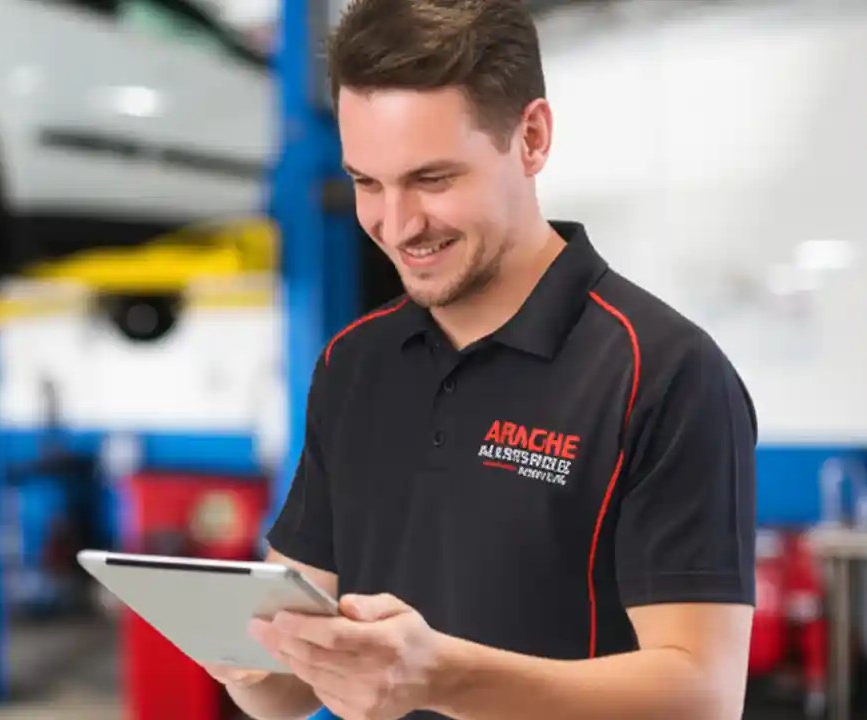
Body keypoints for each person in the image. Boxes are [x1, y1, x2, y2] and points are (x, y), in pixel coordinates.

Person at [201, 0, 759, 719]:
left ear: (530, 137)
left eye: (432, 180)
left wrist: (443, 679)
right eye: (368, 183)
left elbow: (703, 698)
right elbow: (285, 694)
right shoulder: (353, 364)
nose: (397, 226)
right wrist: (247, 661)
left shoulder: (662, 372)